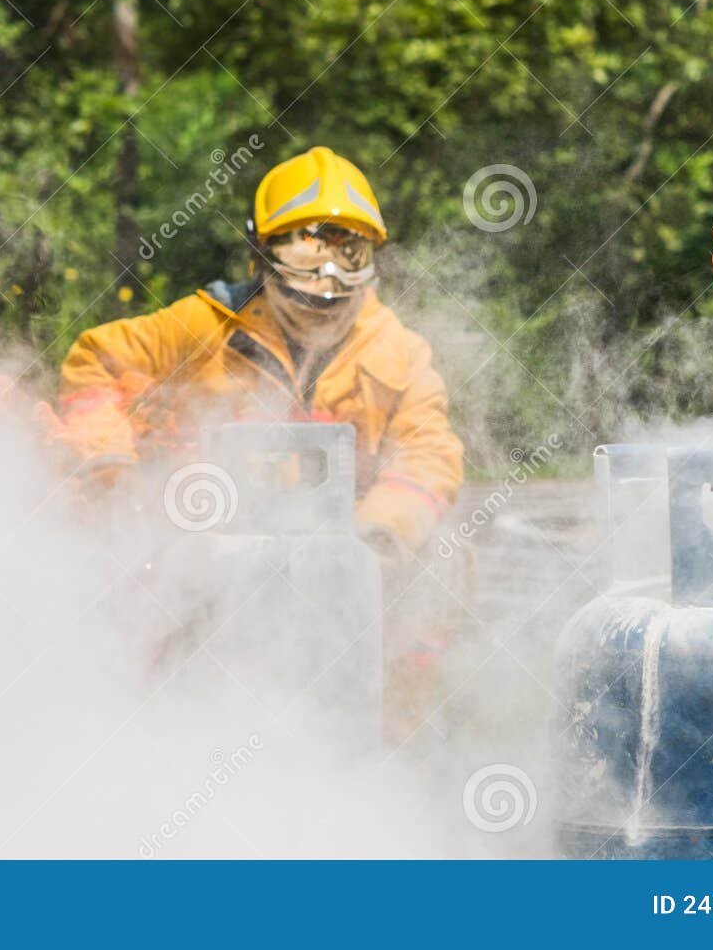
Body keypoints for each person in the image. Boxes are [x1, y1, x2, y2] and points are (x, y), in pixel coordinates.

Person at [55, 146, 466, 735]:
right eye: (304, 258)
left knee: (444, 558)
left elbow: (431, 452)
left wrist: (376, 536)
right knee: (136, 567)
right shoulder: (206, 325)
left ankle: (395, 734)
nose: (326, 287)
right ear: (261, 257)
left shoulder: (400, 351)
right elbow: (95, 361)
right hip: (209, 541)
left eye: (348, 257)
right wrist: (113, 472)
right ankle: (138, 717)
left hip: (346, 546)